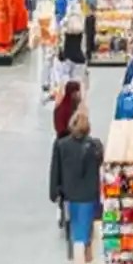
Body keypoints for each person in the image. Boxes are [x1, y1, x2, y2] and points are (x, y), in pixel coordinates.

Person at [49, 111, 103, 264]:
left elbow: (55, 171)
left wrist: (54, 193)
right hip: (88, 196)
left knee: (70, 234)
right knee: (87, 234)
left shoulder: (61, 145)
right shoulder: (95, 147)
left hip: (69, 196)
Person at [51, 79, 83, 228]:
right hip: (69, 148)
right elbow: (64, 129)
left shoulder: (61, 108)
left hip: (62, 146)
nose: (79, 94)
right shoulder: (68, 111)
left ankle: (62, 211)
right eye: (77, 92)